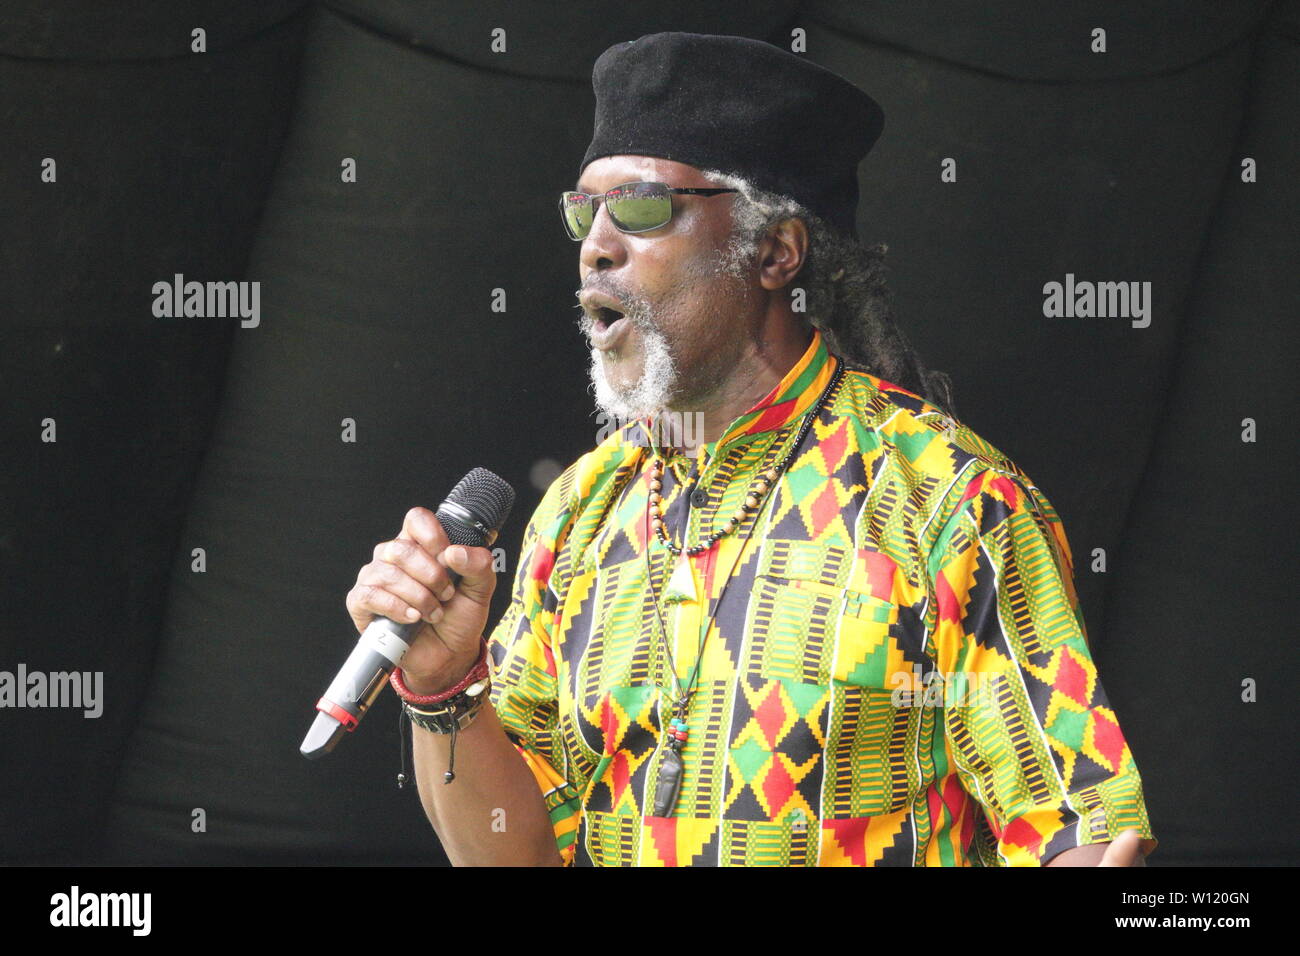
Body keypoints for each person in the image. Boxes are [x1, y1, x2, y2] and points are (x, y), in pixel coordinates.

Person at [345, 32, 1156, 866]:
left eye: (644, 206)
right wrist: (444, 690)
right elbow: (510, 856)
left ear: (775, 252)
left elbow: (1075, 828)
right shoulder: (582, 512)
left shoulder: (950, 504)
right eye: (585, 212)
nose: (597, 243)